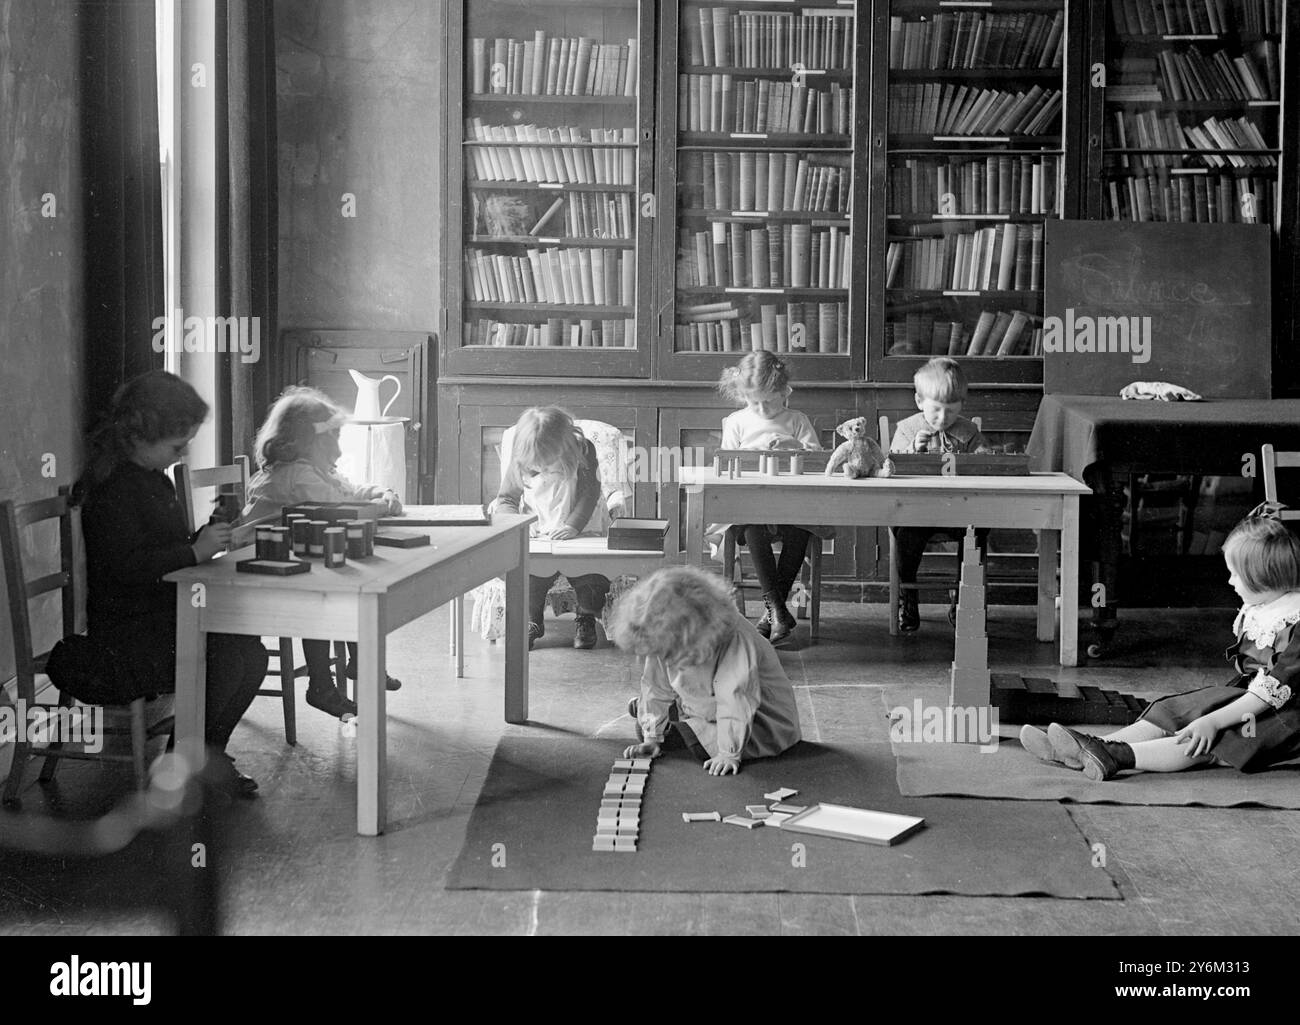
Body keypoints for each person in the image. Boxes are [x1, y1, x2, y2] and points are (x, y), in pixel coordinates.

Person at [71, 370, 267, 797]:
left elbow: (164, 549)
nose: (184, 453)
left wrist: (205, 539)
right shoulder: (112, 489)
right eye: (178, 445)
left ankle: (197, 757)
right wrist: (194, 552)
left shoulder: (153, 480)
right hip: (126, 631)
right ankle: (184, 763)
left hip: (160, 614)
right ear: (141, 437)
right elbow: (127, 567)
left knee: (249, 653)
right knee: (234, 655)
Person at [1023, 514, 1300, 781]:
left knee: (1211, 738)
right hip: (1250, 695)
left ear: (1263, 577)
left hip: (1286, 714)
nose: (1230, 582)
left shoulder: (1295, 621)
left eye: (1236, 575)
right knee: (1178, 710)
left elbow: (1270, 694)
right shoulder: (1266, 605)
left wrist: (1213, 721)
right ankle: (1084, 748)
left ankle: (1117, 755)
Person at [243, 386, 403, 718]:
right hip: (259, 574)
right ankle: (321, 685)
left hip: (290, 566)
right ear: (308, 442)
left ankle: (360, 662)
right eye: (333, 440)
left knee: (346, 585)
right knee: (329, 596)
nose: (340, 450)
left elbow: (348, 489)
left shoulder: (312, 470)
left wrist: (381, 493)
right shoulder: (296, 475)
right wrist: (380, 507)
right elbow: (341, 506)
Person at [610, 566, 801, 776]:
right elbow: (655, 685)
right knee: (647, 724)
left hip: (756, 719)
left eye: (669, 653)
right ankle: (670, 722)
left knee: (697, 743)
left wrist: (728, 753)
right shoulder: (661, 634)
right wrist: (651, 737)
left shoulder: (734, 637)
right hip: (704, 703)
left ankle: (683, 728)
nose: (663, 658)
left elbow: (736, 698)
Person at [712, 351, 826, 644]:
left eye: (770, 401)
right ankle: (777, 609)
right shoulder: (737, 422)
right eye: (754, 402)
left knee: (800, 531)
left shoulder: (797, 421)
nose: (762, 409)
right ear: (742, 396)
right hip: (751, 508)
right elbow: (725, 465)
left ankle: (773, 613)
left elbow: (819, 463)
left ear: (784, 392)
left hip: (793, 508)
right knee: (752, 528)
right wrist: (745, 457)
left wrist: (794, 445)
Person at [888, 357, 992, 632]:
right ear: (919, 401)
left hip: (960, 511)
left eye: (951, 411)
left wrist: (982, 455)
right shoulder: (908, 428)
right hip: (916, 511)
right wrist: (912, 449)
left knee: (978, 532)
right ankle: (907, 597)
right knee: (906, 537)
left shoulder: (969, 431)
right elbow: (891, 467)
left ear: (962, 406)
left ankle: (966, 597)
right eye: (936, 410)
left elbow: (985, 462)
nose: (943, 418)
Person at [494, 406, 610, 650]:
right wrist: (519, 525)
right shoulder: (520, 459)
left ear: (566, 445)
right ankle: (532, 620)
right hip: (539, 531)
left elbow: (590, 493)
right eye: (538, 467)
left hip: (581, 528)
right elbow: (506, 500)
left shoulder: (584, 449)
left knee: (591, 574)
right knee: (530, 573)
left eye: (548, 464)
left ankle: (586, 616)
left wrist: (573, 525)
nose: (543, 470)